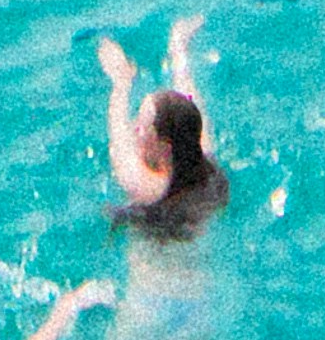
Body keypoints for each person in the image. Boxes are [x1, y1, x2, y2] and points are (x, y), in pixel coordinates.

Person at [98, 19, 228, 226]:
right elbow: (191, 105)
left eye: (142, 126)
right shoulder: (204, 158)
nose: (135, 126)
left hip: (151, 259)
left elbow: (119, 139)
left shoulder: (146, 186)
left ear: (165, 148)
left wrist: (120, 83)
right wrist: (178, 50)